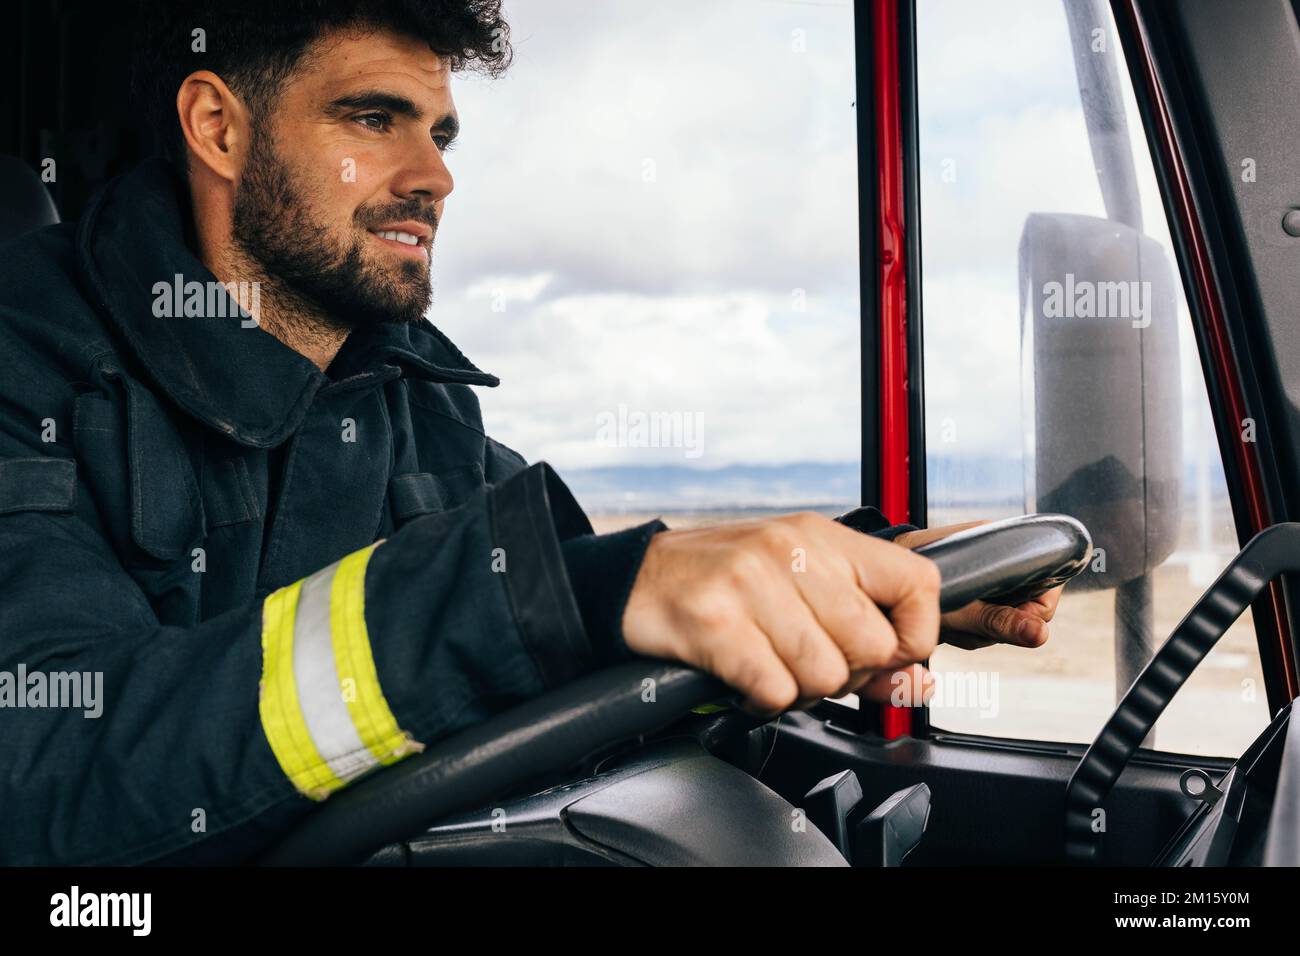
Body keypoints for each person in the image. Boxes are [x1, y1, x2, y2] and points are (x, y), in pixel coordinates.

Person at [0, 0, 1059, 864]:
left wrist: (833, 572)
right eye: (375, 120)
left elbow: (578, 605)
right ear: (219, 127)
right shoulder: (23, 363)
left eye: (441, 132)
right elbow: (48, 770)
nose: (436, 175)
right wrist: (590, 596)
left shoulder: (410, 387)